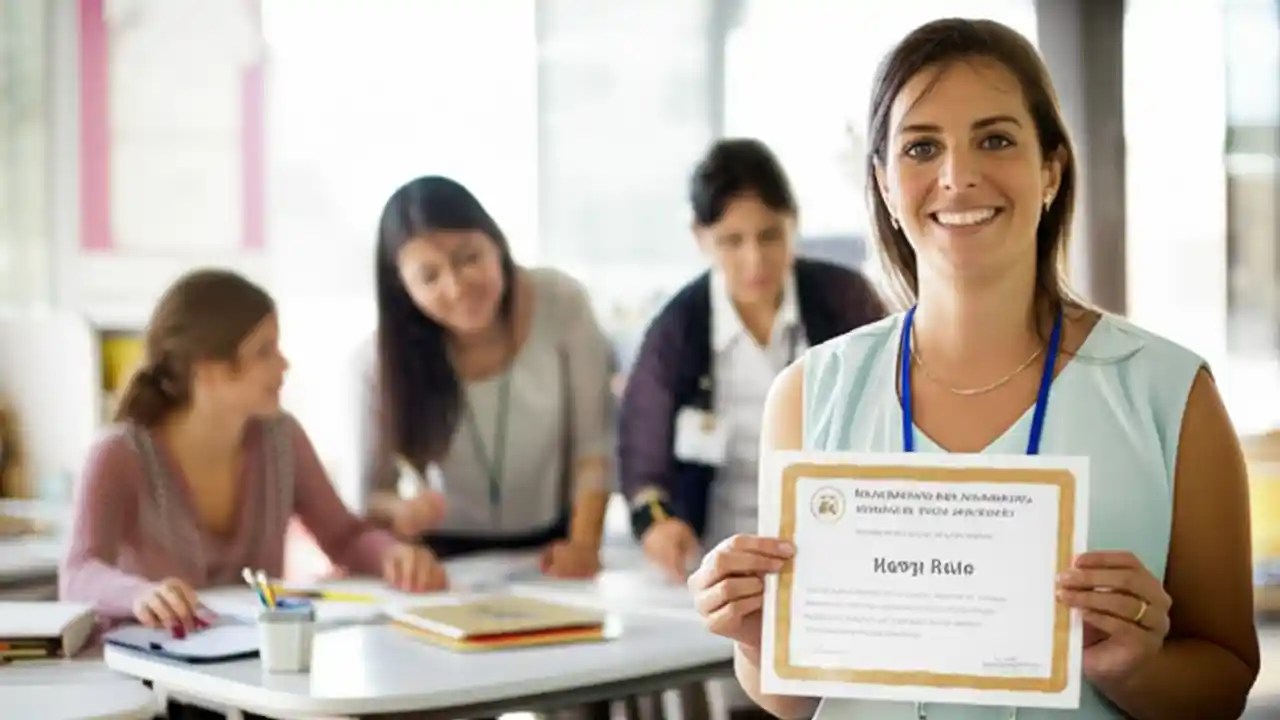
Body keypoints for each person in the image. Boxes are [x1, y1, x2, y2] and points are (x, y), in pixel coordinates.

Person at [689, 18, 1259, 720]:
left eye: (995, 139)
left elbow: (1227, 680)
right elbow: (793, 699)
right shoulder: (809, 395)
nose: (958, 176)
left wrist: (1135, 670)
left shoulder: (1171, 396)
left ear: (1050, 168)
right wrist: (754, 637)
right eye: (922, 147)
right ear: (885, 184)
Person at [60, 269, 445, 634]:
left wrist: (391, 556)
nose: (284, 364)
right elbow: (78, 573)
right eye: (265, 351)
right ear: (207, 369)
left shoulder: (282, 438)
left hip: (253, 669)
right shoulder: (118, 454)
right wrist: (139, 594)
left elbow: (342, 537)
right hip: (156, 674)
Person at [621, 138, 885, 583]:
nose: (754, 260)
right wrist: (660, 527)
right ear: (700, 238)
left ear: (794, 223)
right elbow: (642, 468)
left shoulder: (846, 300)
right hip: (720, 559)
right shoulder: (676, 329)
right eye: (731, 241)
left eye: (769, 236)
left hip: (841, 553)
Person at [360, 175, 616, 578]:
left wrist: (585, 545)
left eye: (469, 258)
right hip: (442, 565)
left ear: (495, 242)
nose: (457, 286)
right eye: (429, 277)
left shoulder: (562, 302)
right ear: (402, 288)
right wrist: (401, 512)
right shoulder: (377, 358)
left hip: (555, 551)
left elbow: (594, 446)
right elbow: (369, 498)